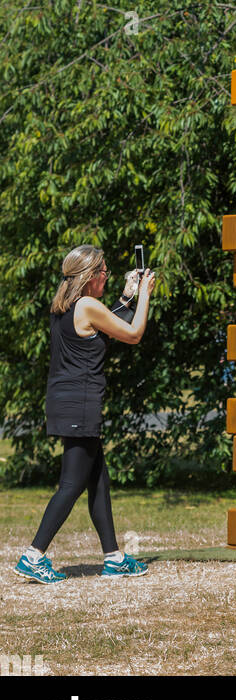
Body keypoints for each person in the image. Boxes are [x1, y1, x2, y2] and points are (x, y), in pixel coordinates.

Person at [14, 244, 156, 585]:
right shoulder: (88, 305)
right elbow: (133, 334)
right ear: (91, 277)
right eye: (104, 272)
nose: (106, 277)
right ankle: (33, 556)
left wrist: (126, 296)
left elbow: (107, 322)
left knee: (97, 479)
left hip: (66, 400)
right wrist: (145, 294)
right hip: (80, 402)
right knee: (73, 483)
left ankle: (114, 557)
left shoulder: (65, 306)